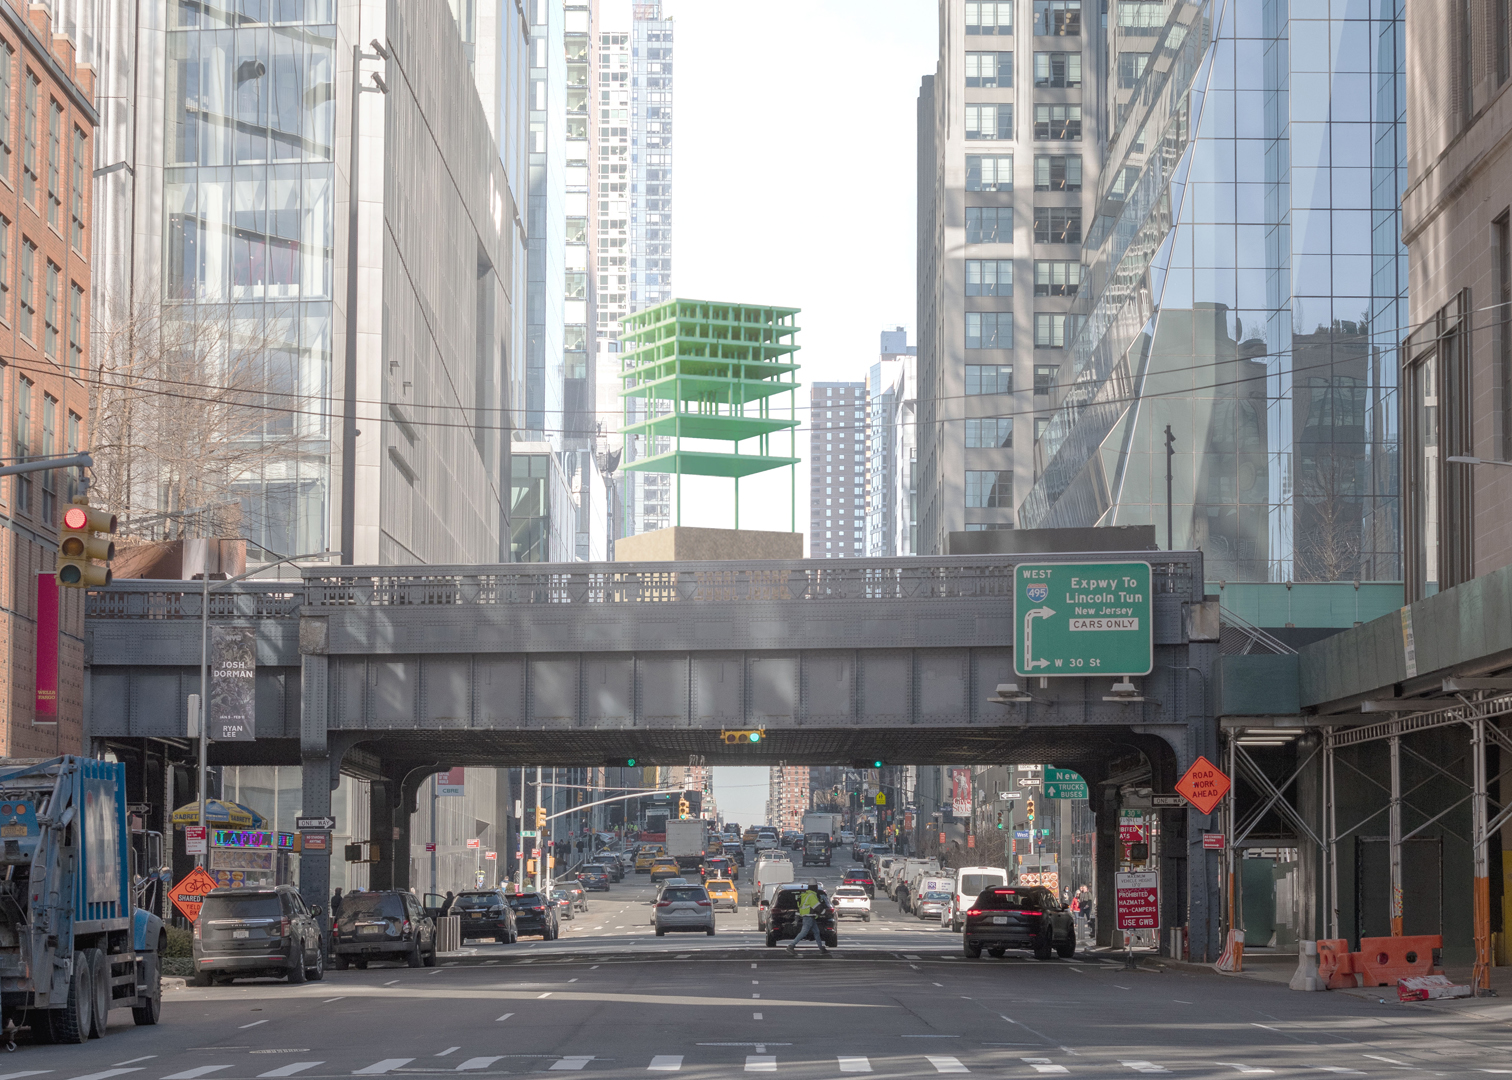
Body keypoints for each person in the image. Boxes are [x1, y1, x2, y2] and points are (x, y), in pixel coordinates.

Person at [787, 879, 831, 957]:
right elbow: (817, 907)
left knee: (816, 932)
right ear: (815, 887)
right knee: (804, 932)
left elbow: (800, 907)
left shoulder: (805, 895)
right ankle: (791, 946)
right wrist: (824, 912)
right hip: (809, 917)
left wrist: (797, 918)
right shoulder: (812, 896)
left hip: (809, 916)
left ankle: (821, 948)